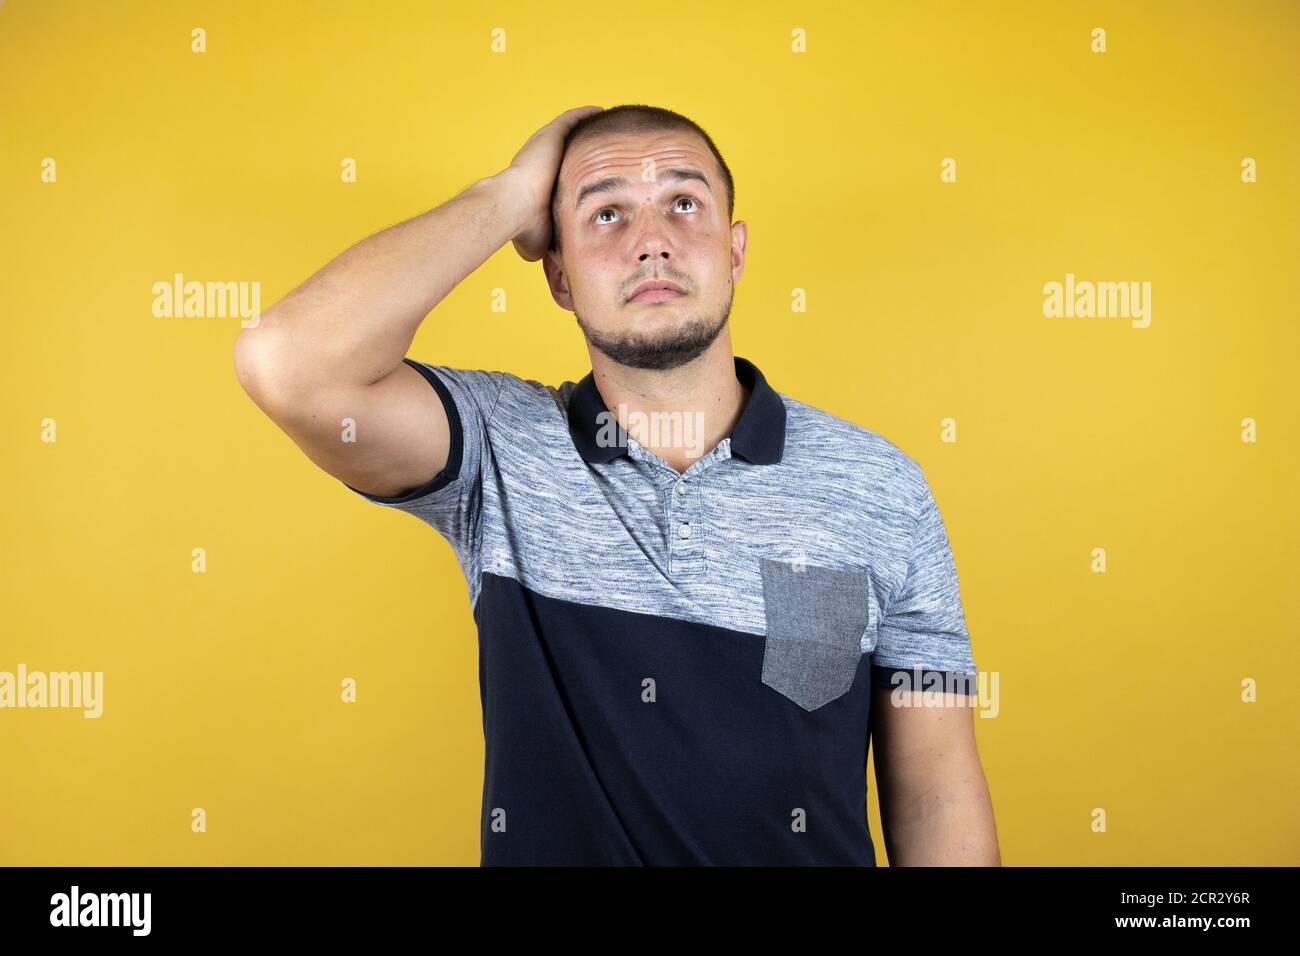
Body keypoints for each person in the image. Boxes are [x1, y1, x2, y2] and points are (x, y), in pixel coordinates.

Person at [233, 104, 1000, 866]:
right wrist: (509, 194)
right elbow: (288, 364)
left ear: (735, 251)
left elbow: (935, 797)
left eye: (684, 203)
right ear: (559, 276)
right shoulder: (499, 448)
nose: (652, 242)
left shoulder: (880, 487)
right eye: (606, 214)